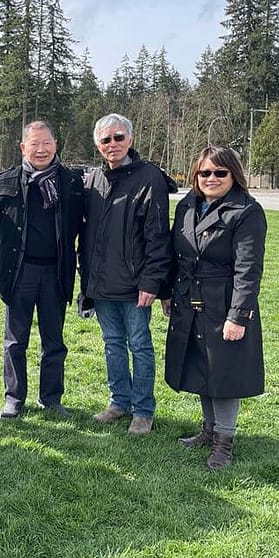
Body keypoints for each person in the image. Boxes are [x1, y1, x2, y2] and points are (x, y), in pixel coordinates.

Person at [163, 146, 266, 470]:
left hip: (223, 303)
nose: (211, 178)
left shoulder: (247, 211)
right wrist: (168, 292)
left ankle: (224, 442)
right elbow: (173, 253)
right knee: (200, 366)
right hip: (189, 300)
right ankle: (207, 431)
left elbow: (248, 269)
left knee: (223, 374)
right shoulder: (187, 206)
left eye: (220, 172)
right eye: (204, 172)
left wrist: (238, 316)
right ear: (195, 175)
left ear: (233, 174)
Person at [80, 113, 171, 435]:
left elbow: (159, 236)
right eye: (106, 140)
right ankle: (119, 402)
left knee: (140, 346)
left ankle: (143, 410)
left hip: (135, 286)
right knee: (112, 344)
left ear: (130, 140)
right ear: (98, 145)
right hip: (102, 284)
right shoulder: (92, 180)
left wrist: (152, 282)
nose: (113, 144)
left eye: (118, 137)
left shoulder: (149, 178)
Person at [0, 120, 84, 419]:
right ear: (23, 147)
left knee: (54, 341)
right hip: (21, 272)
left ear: (56, 144)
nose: (41, 149)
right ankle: (14, 398)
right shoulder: (6, 181)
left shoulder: (71, 182)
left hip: (56, 273)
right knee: (15, 341)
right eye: (34, 144)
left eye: (46, 143)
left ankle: (51, 398)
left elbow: (80, 225)